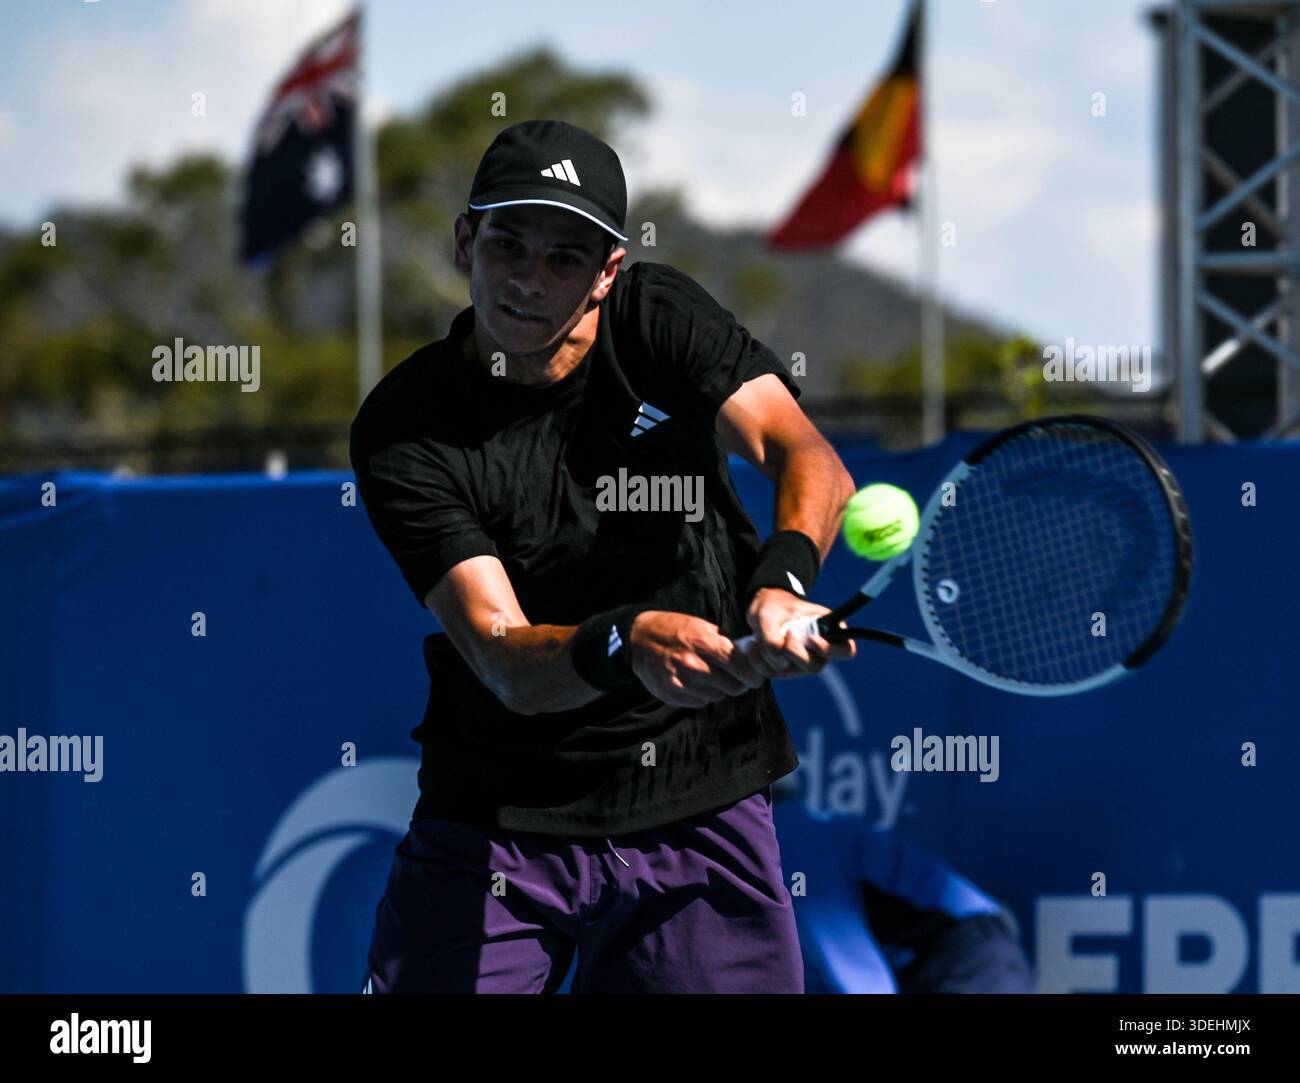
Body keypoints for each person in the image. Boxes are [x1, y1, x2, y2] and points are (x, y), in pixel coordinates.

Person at [350, 119, 858, 994]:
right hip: (498, 813)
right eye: (508, 244)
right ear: (466, 238)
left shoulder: (657, 319)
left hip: (702, 796)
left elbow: (805, 454)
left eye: (564, 260)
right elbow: (505, 655)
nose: (527, 281)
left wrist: (779, 583)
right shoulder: (406, 426)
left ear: (607, 274)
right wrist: (628, 640)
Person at [768, 775, 1036, 994]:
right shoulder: (787, 831)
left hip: (968, 961)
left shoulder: (789, 833)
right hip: (946, 963)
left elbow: (860, 978)